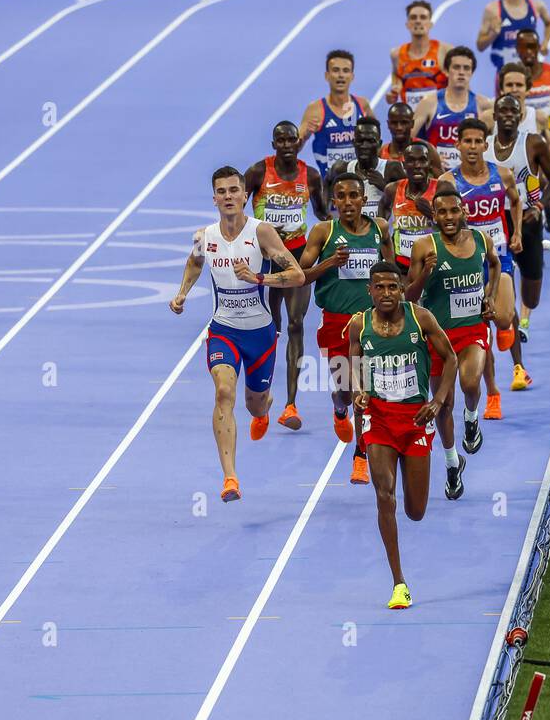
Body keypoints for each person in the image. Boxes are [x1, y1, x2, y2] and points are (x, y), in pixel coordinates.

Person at [169, 166, 306, 503]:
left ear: (246, 195)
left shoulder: (262, 233)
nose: (228, 196)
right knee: (223, 393)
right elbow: (195, 263)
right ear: (214, 198)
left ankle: (264, 408)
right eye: (222, 191)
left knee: (254, 406)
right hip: (224, 330)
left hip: (260, 335)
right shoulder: (206, 237)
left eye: (234, 190)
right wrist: (182, 293)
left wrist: (259, 279)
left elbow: (297, 275)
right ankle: (230, 478)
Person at [348, 261, 457, 609]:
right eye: (379, 287)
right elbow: (353, 363)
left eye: (392, 287)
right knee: (384, 495)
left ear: (402, 288)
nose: (386, 293)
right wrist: (359, 390)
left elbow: (451, 359)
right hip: (379, 419)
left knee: (416, 511)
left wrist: (438, 402)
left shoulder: (421, 318)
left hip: (415, 421)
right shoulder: (359, 325)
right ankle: (399, 583)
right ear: (369, 291)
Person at [405, 185, 501, 501]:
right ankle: (451, 463)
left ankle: (472, 420)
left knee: (471, 383)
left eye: (453, 210)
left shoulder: (480, 240)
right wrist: (425, 274)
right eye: (442, 212)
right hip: (436, 336)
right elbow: (408, 297)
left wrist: (488, 296)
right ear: (434, 215)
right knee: (442, 404)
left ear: (463, 212)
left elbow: (495, 264)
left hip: (471, 330)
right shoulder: (423, 247)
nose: (448, 217)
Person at [300, 173, 395, 485]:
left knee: (365, 391)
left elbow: (391, 272)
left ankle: (360, 455)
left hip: (373, 322)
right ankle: (339, 409)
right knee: (345, 391)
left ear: (363, 199)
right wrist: (330, 263)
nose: (348, 202)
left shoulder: (380, 229)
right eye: (341, 196)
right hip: (337, 325)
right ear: (334, 201)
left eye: (354, 195)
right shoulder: (323, 232)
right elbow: (300, 274)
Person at [245, 121, 330, 431]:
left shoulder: (311, 176)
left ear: (298, 142)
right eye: (280, 140)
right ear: (273, 144)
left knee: (296, 325)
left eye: (291, 139)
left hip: (296, 256)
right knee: (270, 329)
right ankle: (262, 402)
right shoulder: (257, 172)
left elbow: (322, 213)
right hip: (265, 259)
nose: (286, 145)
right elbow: (238, 212)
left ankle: (291, 405)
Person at [439, 118, 526, 396]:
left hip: (498, 254)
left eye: (478, 141)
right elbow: (439, 217)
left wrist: (517, 232)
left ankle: (506, 336)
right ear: (458, 145)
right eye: (468, 141)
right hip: (467, 261)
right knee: (480, 329)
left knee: (502, 318)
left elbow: (515, 200)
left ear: (485, 145)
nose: (473, 146)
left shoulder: (502, 175)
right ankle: (492, 392)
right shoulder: (448, 181)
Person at [485, 93, 550, 342]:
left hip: (528, 220)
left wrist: (540, 207)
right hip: (495, 221)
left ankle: (520, 313)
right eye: (502, 111)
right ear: (494, 117)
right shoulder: (483, 147)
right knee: (501, 277)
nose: (507, 115)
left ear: (520, 116)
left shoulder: (533, 143)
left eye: (512, 111)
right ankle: (508, 323)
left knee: (532, 296)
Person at [412, 46, 490, 173]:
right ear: (446, 71)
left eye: (466, 68)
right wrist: (430, 157)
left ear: (472, 72)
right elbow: (408, 139)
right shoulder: (429, 103)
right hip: (436, 174)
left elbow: (492, 144)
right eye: (456, 67)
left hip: (470, 175)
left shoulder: (483, 104)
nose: (461, 72)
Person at [298, 49, 374, 179]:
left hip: (361, 183)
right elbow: (293, 149)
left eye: (345, 71)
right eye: (336, 70)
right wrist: (305, 136)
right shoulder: (315, 110)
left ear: (352, 76)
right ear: (327, 75)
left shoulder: (362, 105)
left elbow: (376, 141)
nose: (341, 75)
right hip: (330, 184)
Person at [476, 0, 550, 82]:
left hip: (530, 75)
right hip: (505, 78)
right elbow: (480, 45)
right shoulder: (493, 10)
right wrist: (493, 34)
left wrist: (545, 42)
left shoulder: (537, 6)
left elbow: (549, 23)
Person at [327, 116, 405, 221]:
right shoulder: (341, 169)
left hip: (381, 236)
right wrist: (325, 216)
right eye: (360, 140)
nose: (365, 146)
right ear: (354, 142)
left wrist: (385, 187)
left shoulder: (392, 169)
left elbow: (409, 203)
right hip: (350, 236)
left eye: (370, 141)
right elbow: (325, 187)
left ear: (379, 144)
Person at [379, 142, 438, 271]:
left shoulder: (441, 188)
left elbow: (457, 227)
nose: (417, 166)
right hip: (402, 265)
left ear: (430, 163)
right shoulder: (392, 189)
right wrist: (390, 262)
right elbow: (380, 225)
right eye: (411, 161)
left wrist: (432, 215)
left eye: (422, 160)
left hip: (433, 264)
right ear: (404, 164)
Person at [387, 0, 453, 109]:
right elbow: (396, 75)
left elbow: (462, 86)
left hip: (439, 118)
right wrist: (394, 91)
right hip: (411, 120)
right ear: (407, 24)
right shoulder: (396, 54)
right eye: (413, 17)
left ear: (430, 24)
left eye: (423, 17)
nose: (418, 21)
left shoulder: (445, 51)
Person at [515, 28, 550, 150]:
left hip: (549, 130)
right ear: (517, 49)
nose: (528, 51)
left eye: (532, 47)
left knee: (549, 167)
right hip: (520, 133)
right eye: (523, 47)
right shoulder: (511, 76)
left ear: (539, 48)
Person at [381, 101, 444, 177]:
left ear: (412, 123)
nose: (399, 127)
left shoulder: (427, 149)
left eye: (404, 123)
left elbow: (442, 181)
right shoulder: (380, 153)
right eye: (394, 123)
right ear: (388, 124)